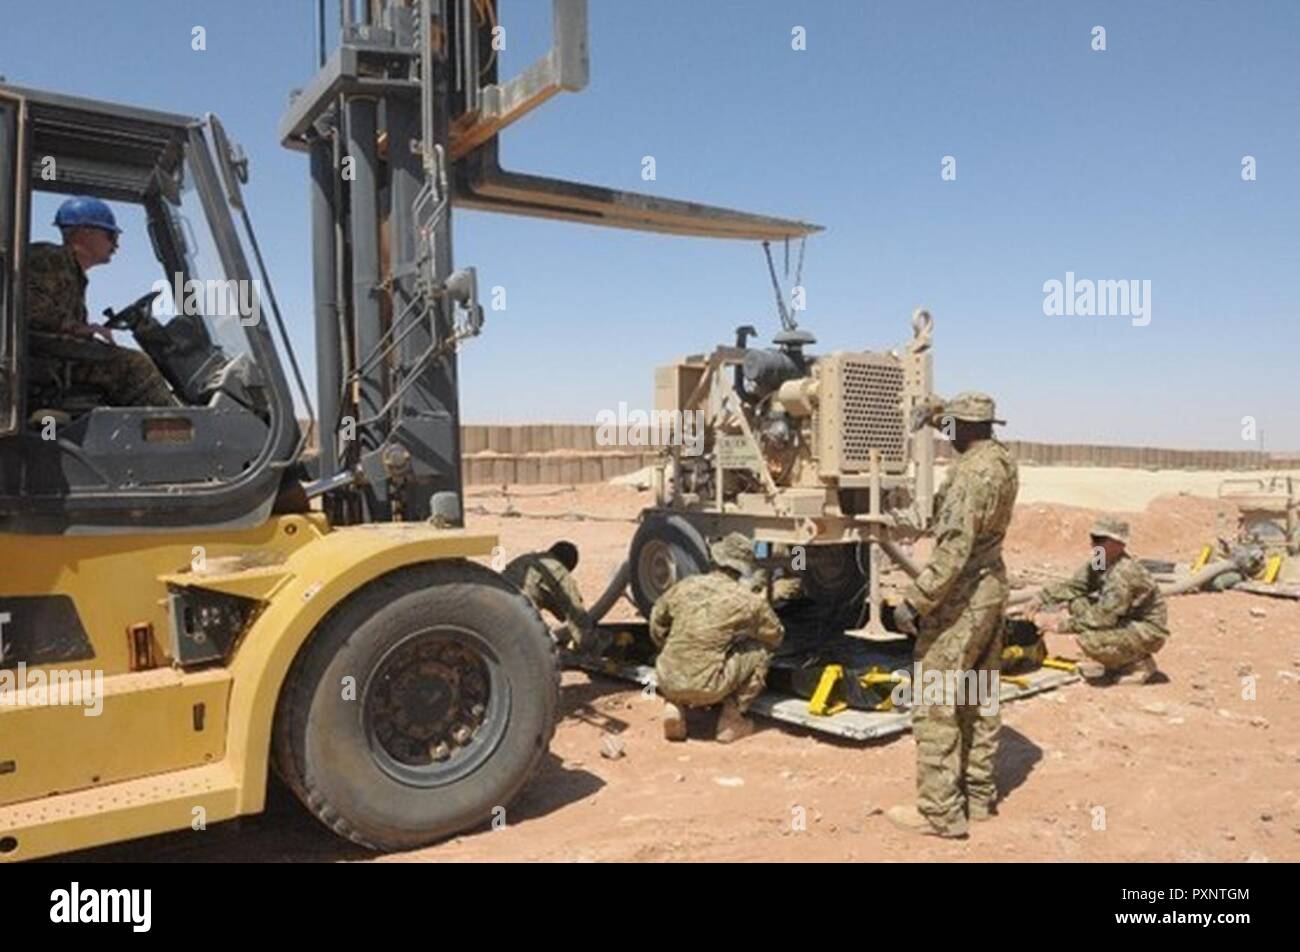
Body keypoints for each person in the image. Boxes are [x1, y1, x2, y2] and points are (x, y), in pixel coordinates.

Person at [887, 392, 1019, 838]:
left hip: (961, 598)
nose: (946, 436)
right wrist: (935, 410)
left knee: (935, 700)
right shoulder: (1002, 461)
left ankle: (940, 813)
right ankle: (979, 797)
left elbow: (953, 551)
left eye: (950, 429)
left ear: (965, 428)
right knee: (979, 695)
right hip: (991, 590)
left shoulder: (970, 475)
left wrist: (915, 602)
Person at [27, 196, 177, 408]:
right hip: (45, 362)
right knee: (135, 365)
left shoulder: (71, 271)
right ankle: (178, 435)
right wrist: (79, 329)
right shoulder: (48, 258)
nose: (116, 244)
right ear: (85, 232)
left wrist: (84, 331)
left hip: (51, 357)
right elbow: (26, 308)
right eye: (110, 235)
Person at [650, 533, 783, 743]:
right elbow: (775, 636)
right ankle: (732, 719)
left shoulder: (685, 585)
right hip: (710, 686)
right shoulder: (746, 598)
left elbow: (656, 622)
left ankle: (674, 705)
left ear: (717, 559)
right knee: (760, 651)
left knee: (682, 649)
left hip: (666, 677)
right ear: (742, 568)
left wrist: (668, 645)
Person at [1031, 516, 1168, 685]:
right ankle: (1121, 660)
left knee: (1090, 640)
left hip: (1146, 630)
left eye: (1101, 540)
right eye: (1094, 538)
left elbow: (1104, 616)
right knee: (1077, 602)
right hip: (1124, 619)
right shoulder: (1102, 560)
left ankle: (1138, 666)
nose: (1094, 544)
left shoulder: (1123, 573)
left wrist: (1059, 625)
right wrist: (1042, 598)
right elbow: (1078, 587)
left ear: (1119, 544)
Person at [502, 540, 599, 653]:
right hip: (517, 623)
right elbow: (575, 612)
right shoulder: (558, 570)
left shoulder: (527, 560)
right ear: (568, 566)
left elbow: (553, 605)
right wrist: (590, 646)